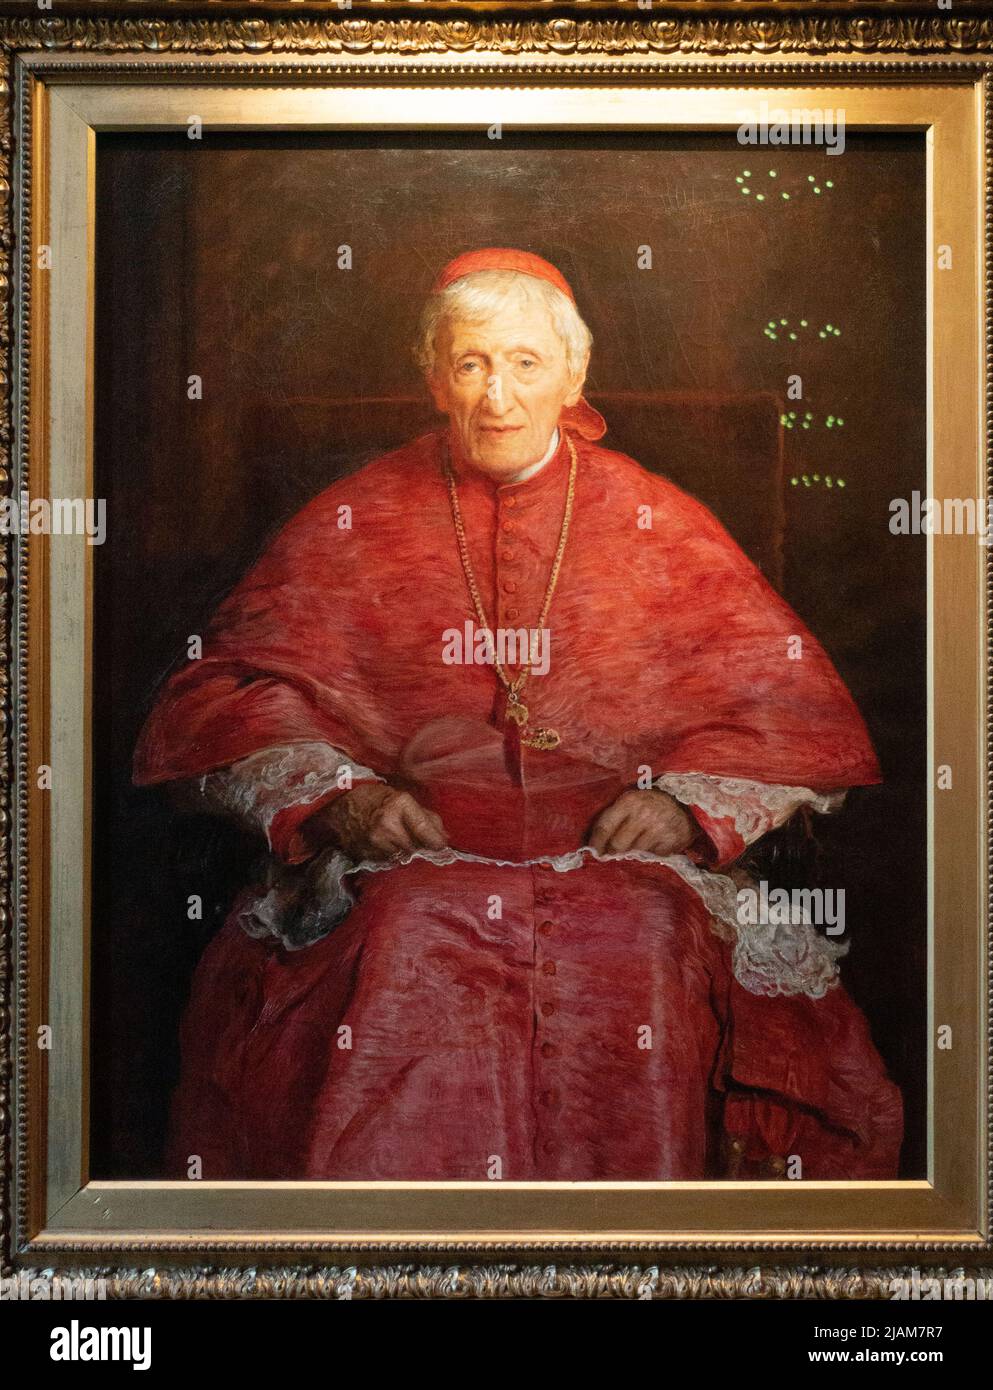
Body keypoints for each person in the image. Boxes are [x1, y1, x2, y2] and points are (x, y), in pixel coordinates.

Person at [134, 247, 903, 1181]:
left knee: (641, 941)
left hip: (619, 868)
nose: (497, 395)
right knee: (407, 941)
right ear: (433, 377)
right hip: (410, 867)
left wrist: (685, 807)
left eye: (525, 363)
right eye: (471, 364)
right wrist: (343, 797)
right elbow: (224, 693)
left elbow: (782, 703)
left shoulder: (657, 518)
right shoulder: (353, 517)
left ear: (572, 374)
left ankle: (631, 1262)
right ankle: (396, 1264)